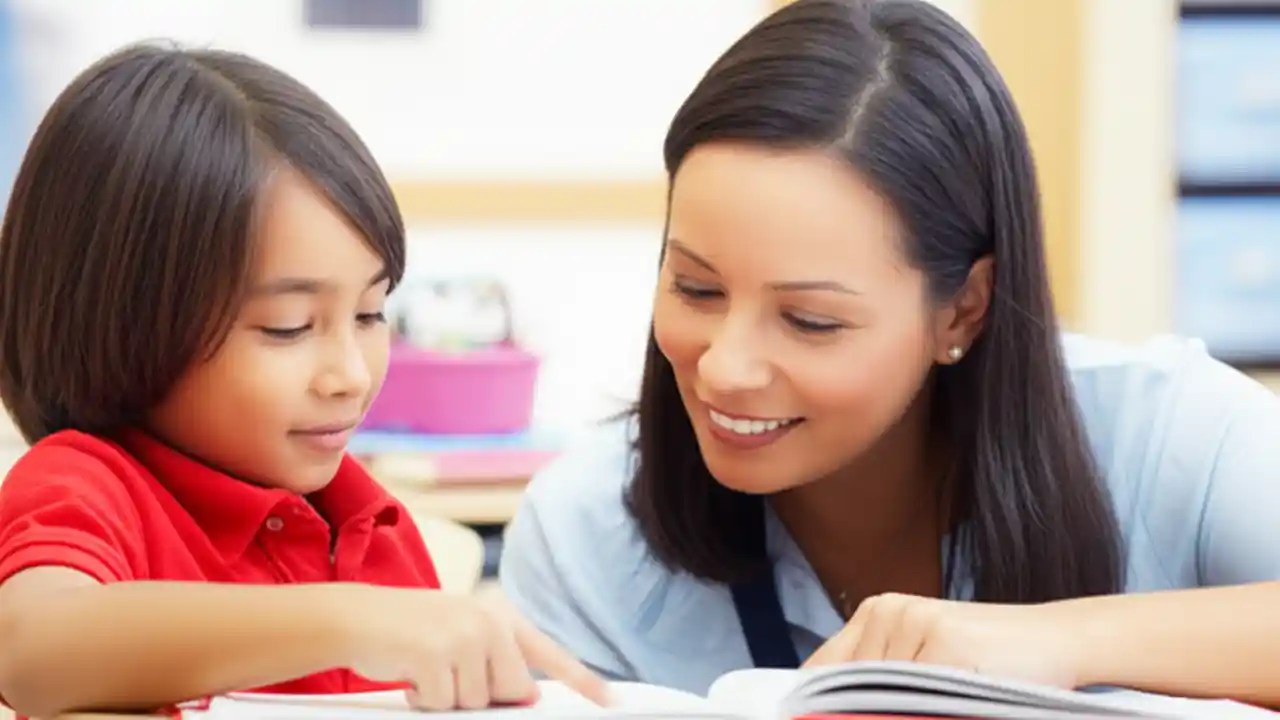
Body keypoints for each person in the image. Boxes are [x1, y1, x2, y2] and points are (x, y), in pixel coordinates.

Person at [499, 0, 1280, 707]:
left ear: (963, 308)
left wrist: (1066, 639)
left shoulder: (1175, 437)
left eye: (809, 320)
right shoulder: (587, 531)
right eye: (697, 290)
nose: (726, 367)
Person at [0, 43, 606, 718]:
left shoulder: (369, 520)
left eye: (373, 314)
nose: (349, 375)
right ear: (120, 316)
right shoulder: (85, 485)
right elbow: (31, 652)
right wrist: (349, 619)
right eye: (288, 327)